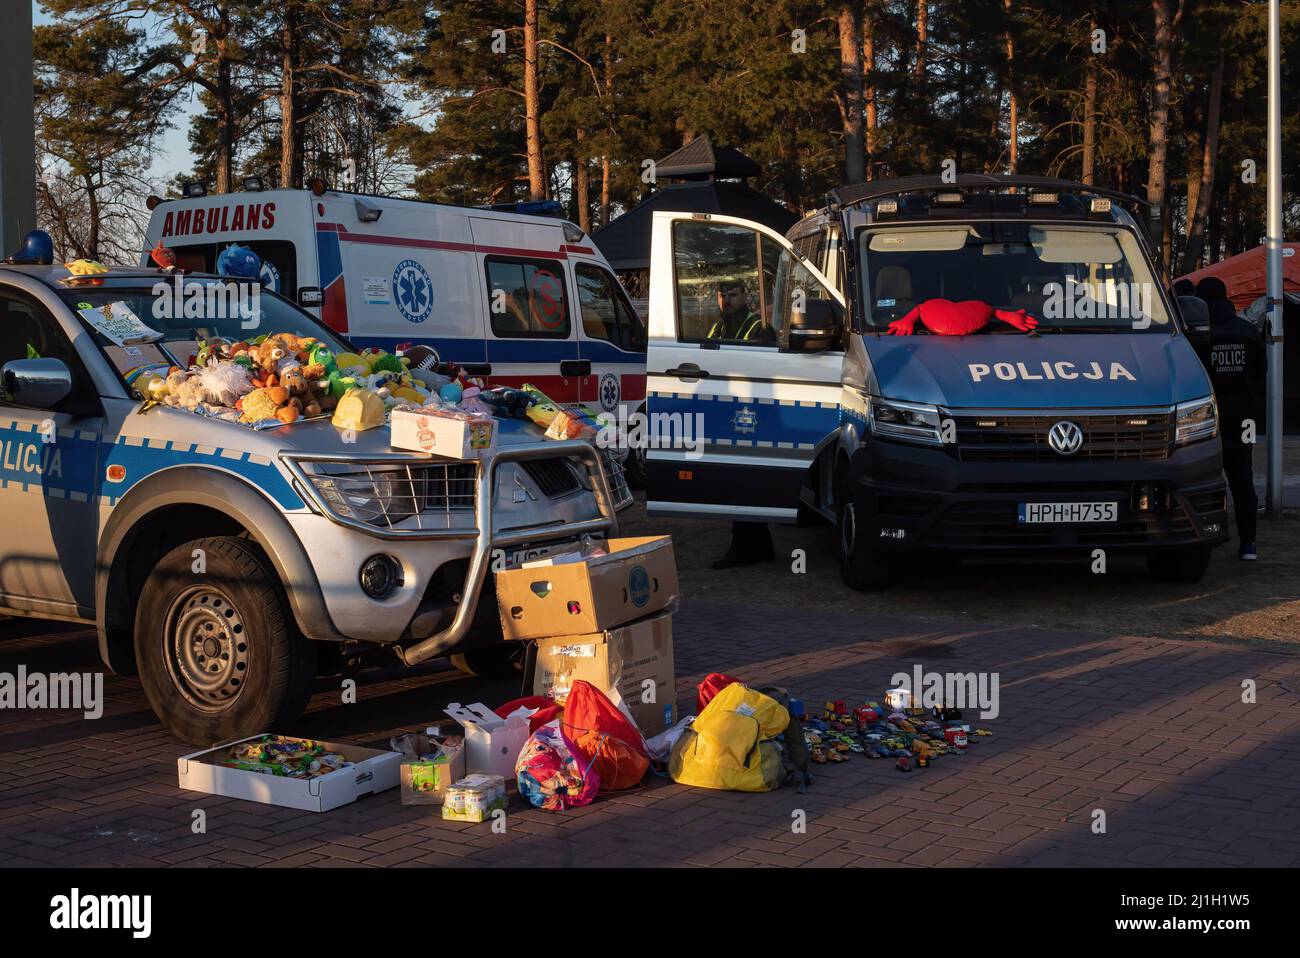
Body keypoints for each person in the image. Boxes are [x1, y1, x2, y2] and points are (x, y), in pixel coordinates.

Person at [1200, 276, 1266, 560]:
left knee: (1203, 482)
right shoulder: (1248, 331)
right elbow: (1260, 373)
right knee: (1242, 481)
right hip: (1243, 418)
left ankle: (1208, 537)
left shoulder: (1200, 333)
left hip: (1207, 421)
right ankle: (1249, 543)